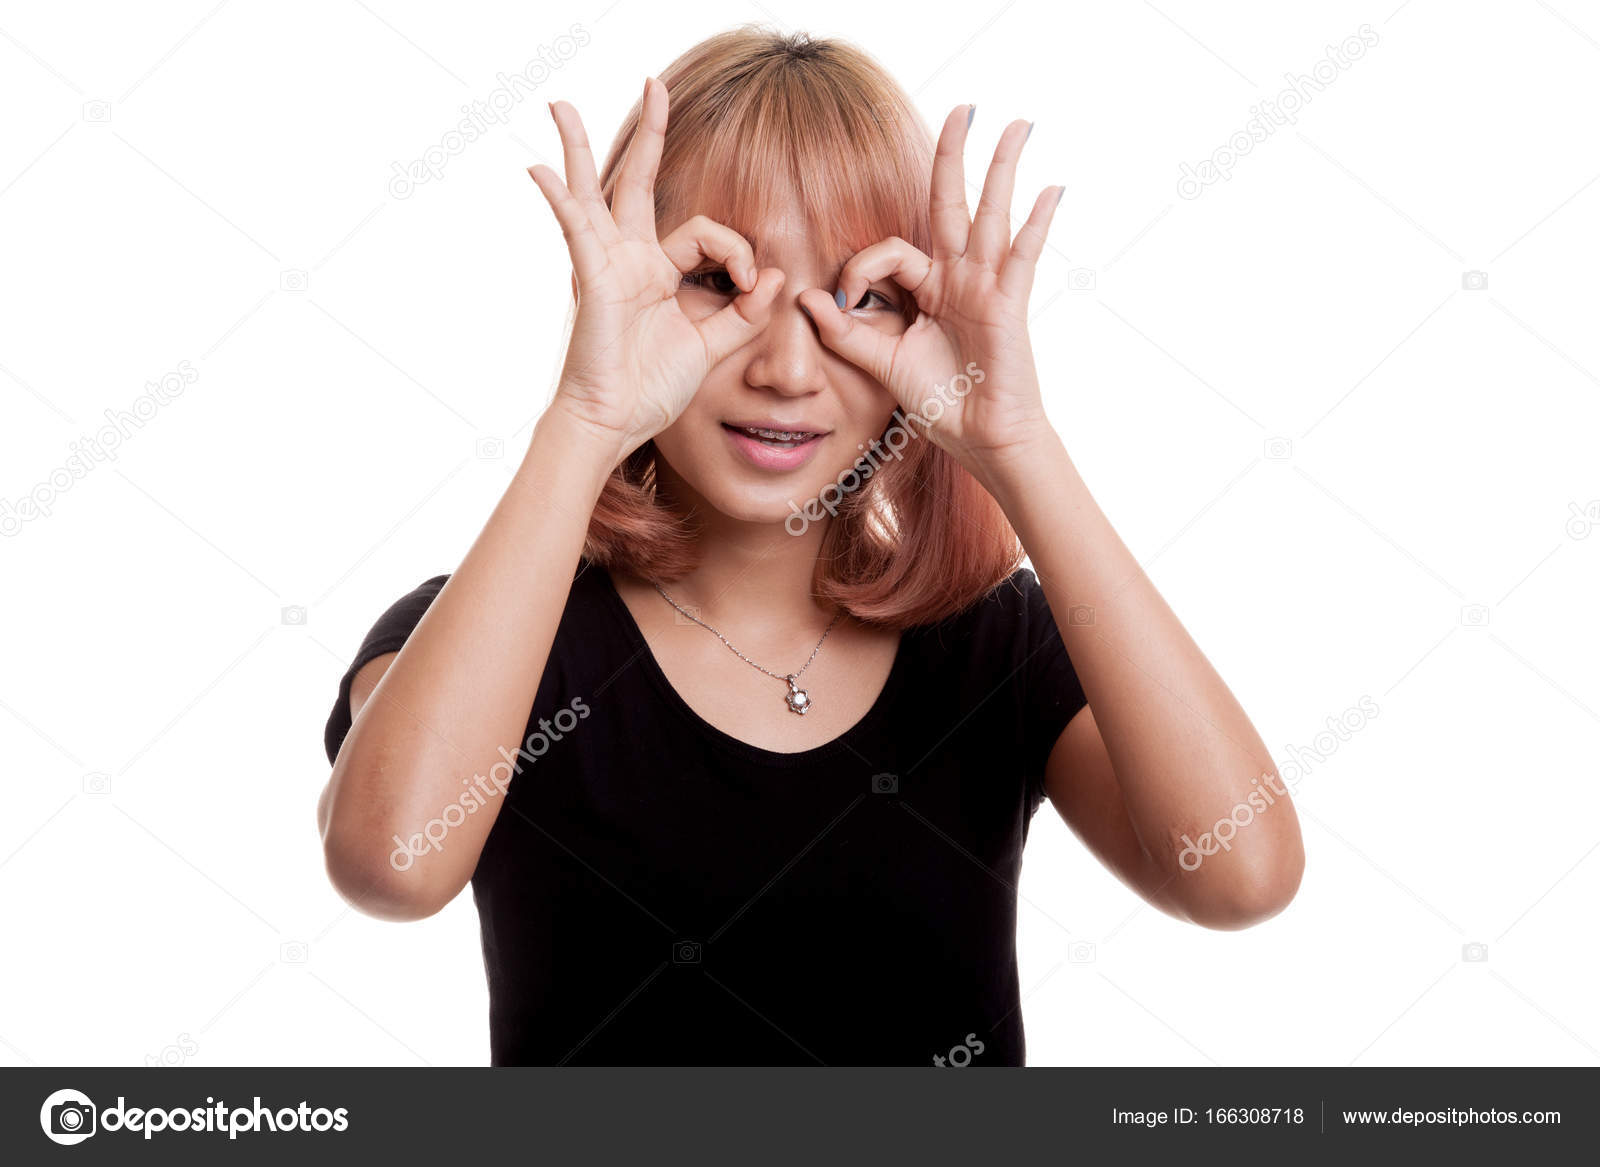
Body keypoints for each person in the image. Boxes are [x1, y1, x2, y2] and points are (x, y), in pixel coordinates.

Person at [319, 26, 1303, 1066]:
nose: (787, 369)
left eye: (862, 298)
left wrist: (1016, 444)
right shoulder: (492, 636)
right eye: (717, 280)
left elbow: (1240, 876)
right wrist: (587, 419)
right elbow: (391, 865)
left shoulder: (991, 645)